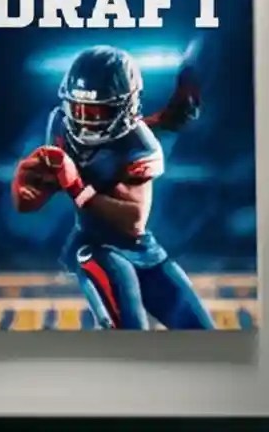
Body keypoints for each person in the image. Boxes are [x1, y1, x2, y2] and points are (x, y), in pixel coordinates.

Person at [11, 45, 213, 330]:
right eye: (79, 109)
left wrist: (76, 187)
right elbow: (35, 194)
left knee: (201, 330)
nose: (85, 122)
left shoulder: (141, 145)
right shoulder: (60, 126)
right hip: (95, 246)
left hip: (140, 246)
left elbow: (132, 221)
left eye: (96, 113)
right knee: (128, 323)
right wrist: (28, 185)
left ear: (125, 107)